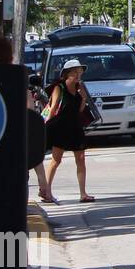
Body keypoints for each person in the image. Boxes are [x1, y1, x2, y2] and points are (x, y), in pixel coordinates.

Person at [44, 60, 95, 204]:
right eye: (75, 72)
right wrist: (45, 128)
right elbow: (53, 109)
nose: (78, 75)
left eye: (79, 72)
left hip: (75, 126)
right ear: (67, 74)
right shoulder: (59, 88)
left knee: (81, 159)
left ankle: (83, 194)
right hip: (60, 127)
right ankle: (47, 191)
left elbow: (79, 110)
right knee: (56, 160)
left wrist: (83, 97)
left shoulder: (79, 88)